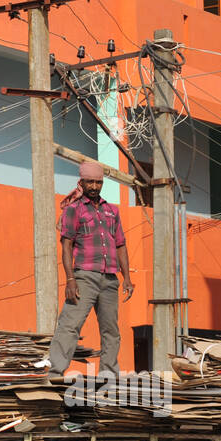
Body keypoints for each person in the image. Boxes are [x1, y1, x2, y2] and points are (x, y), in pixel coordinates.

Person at [48, 160, 133, 379]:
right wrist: (70, 279)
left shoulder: (112, 211)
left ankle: (109, 375)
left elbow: (121, 244)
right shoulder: (73, 210)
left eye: (98, 182)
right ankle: (56, 372)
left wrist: (127, 278)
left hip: (110, 279)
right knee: (70, 325)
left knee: (111, 331)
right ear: (82, 182)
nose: (94, 186)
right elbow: (66, 246)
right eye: (90, 182)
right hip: (83, 277)